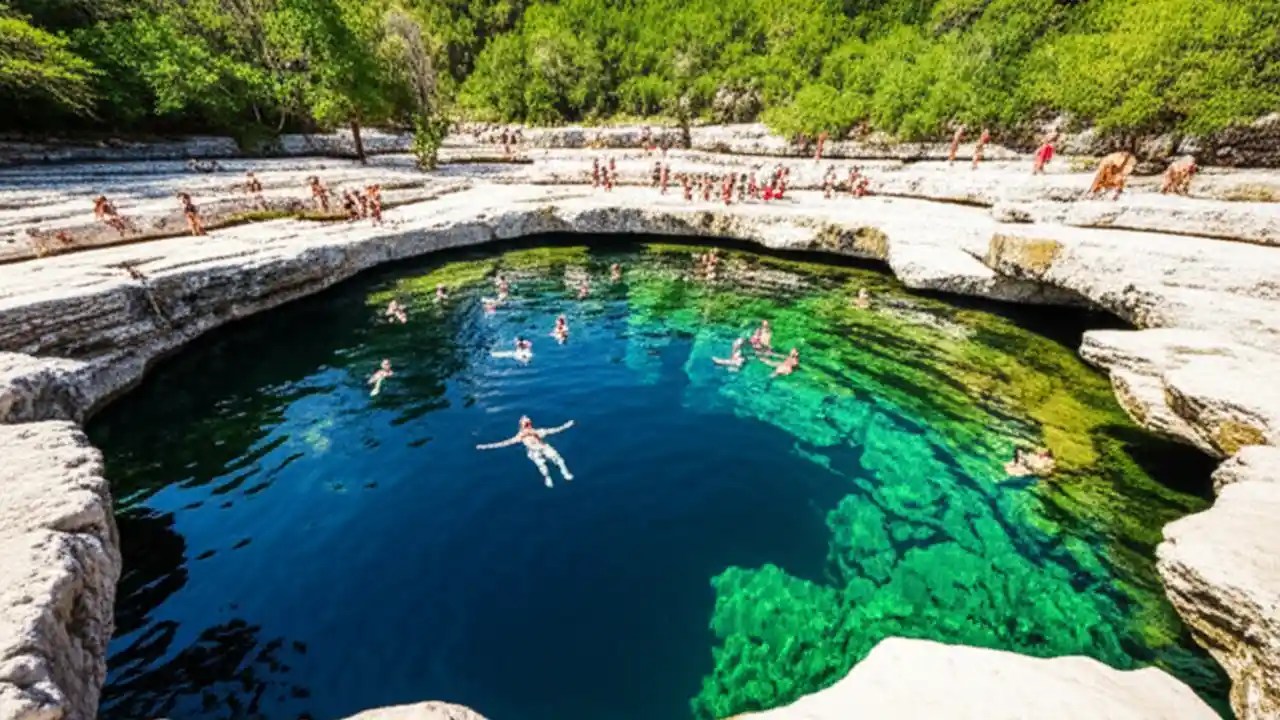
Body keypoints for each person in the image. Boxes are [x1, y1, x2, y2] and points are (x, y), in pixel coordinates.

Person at [476, 416, 576, 488]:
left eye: (529, 424)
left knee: (559, 460)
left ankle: (565, 472)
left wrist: (567, 425)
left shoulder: (539, 432)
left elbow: (556, 430)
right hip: (534, 452)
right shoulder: (519, 437)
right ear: (522, 427)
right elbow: (502, 443)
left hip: (544, 447)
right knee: (542, 466)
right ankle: (548, 477)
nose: (528, 426)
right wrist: (485, 447)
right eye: (526, 425)